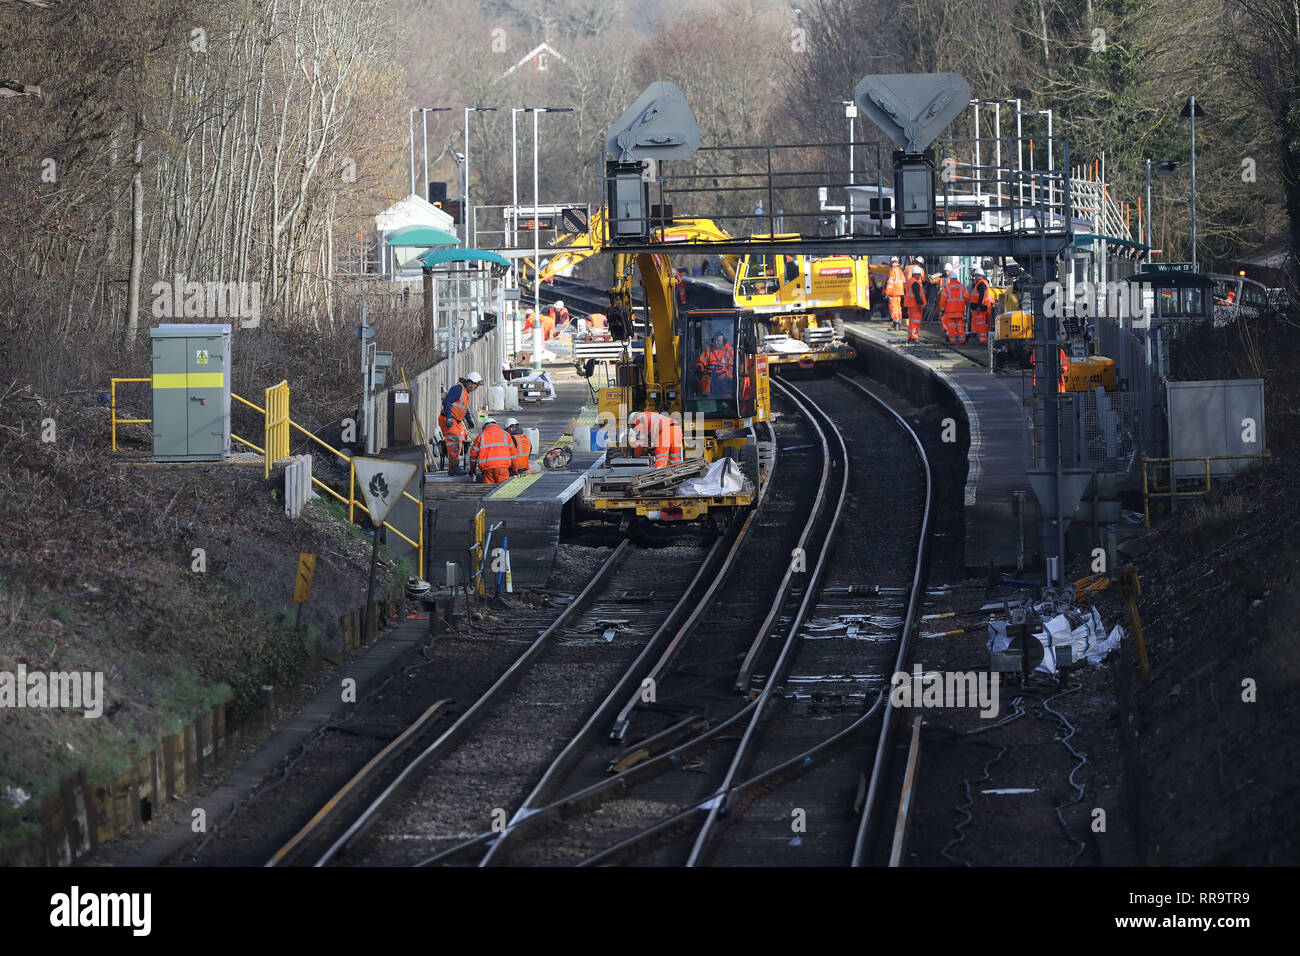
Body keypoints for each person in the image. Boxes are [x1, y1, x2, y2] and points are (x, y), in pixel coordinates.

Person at [439, 371, 483, 476]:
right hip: (448, 420)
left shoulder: (465, 393)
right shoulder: (457, 389)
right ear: (470, 383)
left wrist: (469, 420)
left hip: (456, 421)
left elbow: (464, 408)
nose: (476, 388)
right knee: (454, 442)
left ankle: (454, 467)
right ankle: (454, 467)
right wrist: (449, 418)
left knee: (459, 442)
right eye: (475, 386)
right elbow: (446, 402)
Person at [469, 416, 513, 484]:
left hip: (487, 469)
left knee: (488, 490)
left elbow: (473, 456)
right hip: (502, 468)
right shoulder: (506, 435)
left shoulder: (480, 437)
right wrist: (514, 469)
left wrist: (472, 469)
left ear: (484, 427)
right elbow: (513, 453)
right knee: (502, 490)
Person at [695, 331, 736, 398]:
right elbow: (701, 361)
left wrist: (724, 376)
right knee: (704, 380)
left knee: (728, 382)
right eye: (715, 340)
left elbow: (732, 367)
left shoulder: (729, 350)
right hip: (710, 375)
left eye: (718, 341)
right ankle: (707, 398)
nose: (716, 342)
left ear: (724, 341)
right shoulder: (708, 349)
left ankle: (728, 399)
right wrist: (700, 366)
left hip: (725, 375)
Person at [938, 263, 970, 345]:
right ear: (956, 278)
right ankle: (962, 341)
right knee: (960, 327)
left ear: (951, 279)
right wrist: (963, 304)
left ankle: (953, 341)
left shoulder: (947, 288)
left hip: (950, 312)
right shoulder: (962, 287)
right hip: (960, 311)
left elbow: (942, 301)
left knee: (951, 327)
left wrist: (941, 310)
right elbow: (967, 298)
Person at [969, 266, 995, 345]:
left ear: (978, 275)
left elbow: (981, 296)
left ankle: (983, 340)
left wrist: (979, 306)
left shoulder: (981, 284)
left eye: (976, 275)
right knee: (980, 324)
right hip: (980, 307)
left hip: (980, 307)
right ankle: (982, 339)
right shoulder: (980, 283)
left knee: (981, 324)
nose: (975, 277)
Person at [904, 264, 926, 342]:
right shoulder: (915, 283)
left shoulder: (909, 281)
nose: (920, 276)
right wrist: (922, 303)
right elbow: (917, 295)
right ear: (916, 274)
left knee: (911, 322)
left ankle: (910, 337)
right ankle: (913, 337)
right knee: (915, 322)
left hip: (910, 305)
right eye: (919, 274)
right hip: (916, 305)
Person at [884, 256, 906, 331]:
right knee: (898, 308)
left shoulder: (892, 271)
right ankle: (898, 323)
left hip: (893, 292)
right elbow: (903, 281)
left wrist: (887, 293)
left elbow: (890, 283)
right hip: (899, 292)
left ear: (891, 262)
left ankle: (895, 324)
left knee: (893, 308)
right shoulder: (900, 271)